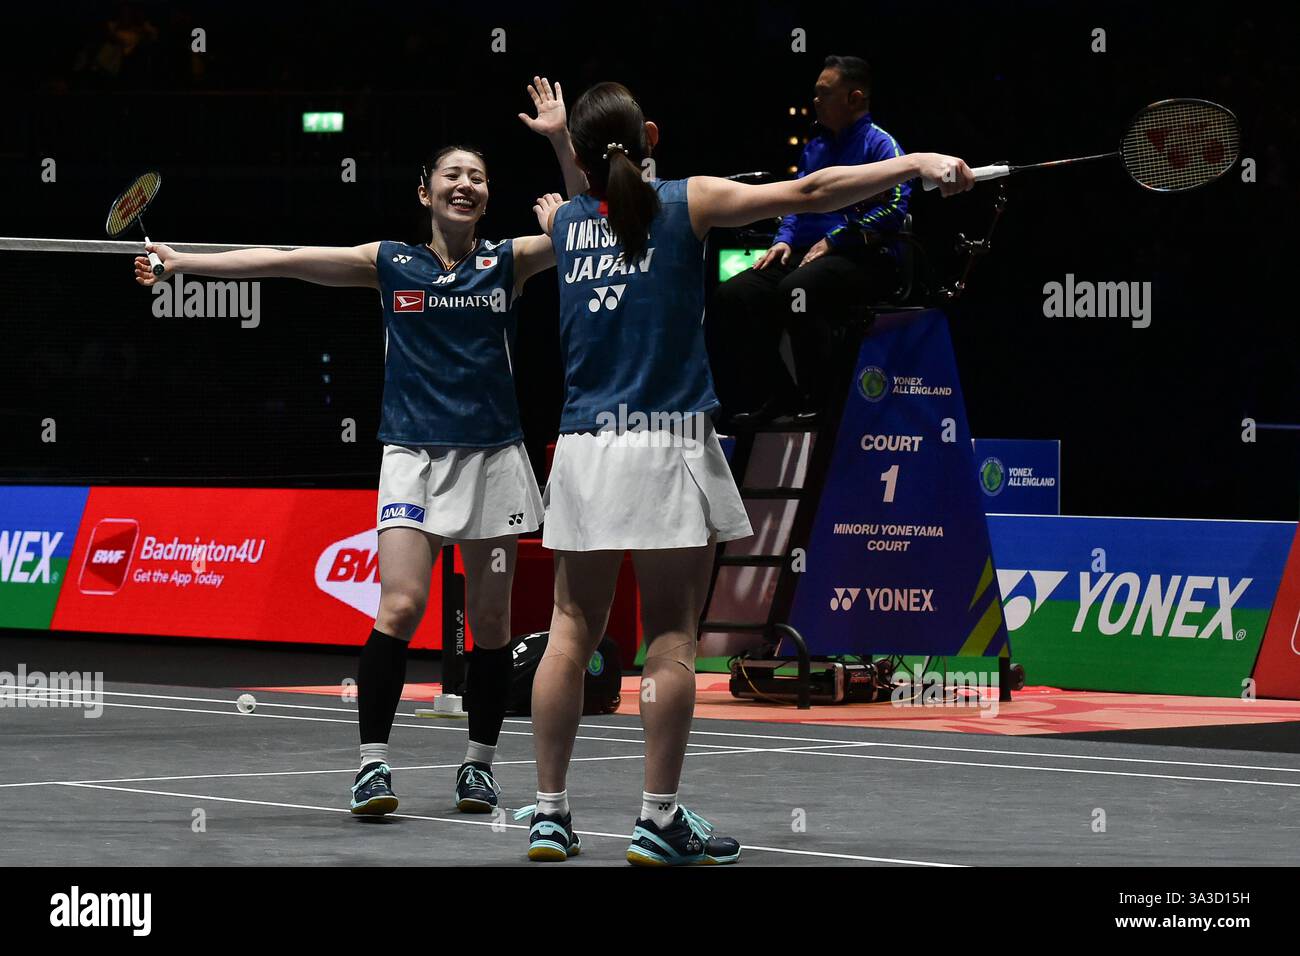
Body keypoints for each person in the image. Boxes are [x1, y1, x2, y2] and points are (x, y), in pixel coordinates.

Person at [517, 77, 971, 864]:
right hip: (668, 447)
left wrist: (561, 144)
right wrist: (916, 163)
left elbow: (599, 203)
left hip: (587, 449)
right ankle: (657, 820)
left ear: (584, 164)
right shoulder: (685, 204)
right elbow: (816, 188)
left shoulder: (569, 228)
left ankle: (551, 814)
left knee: (569, 634)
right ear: (651, 135)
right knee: (669, 640)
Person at [133, 146, 559, 818]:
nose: (466, 185)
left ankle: (477, 767)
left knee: (492, 620)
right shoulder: (388, 262)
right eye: (452, 175)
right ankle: (371, 767)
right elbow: (284, 259)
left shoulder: (508, 261)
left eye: (477, 177)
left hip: (492, 460)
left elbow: (601, 236)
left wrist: (566, 190)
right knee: (399, 608)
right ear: (425, 192)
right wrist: (183, 262)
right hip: (412, 457)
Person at [709, 54, 913, 426]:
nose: (814, 101)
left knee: (796, 288)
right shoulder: (814, 148)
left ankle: (824, 399)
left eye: (824, 94)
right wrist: (784, 238)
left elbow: (897, 207)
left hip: (866, 258)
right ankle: (781, 395)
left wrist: (836, 240)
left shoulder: (881, 146)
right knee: (735, 293)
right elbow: (794, 201)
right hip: (807, 255)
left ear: (855, 98)